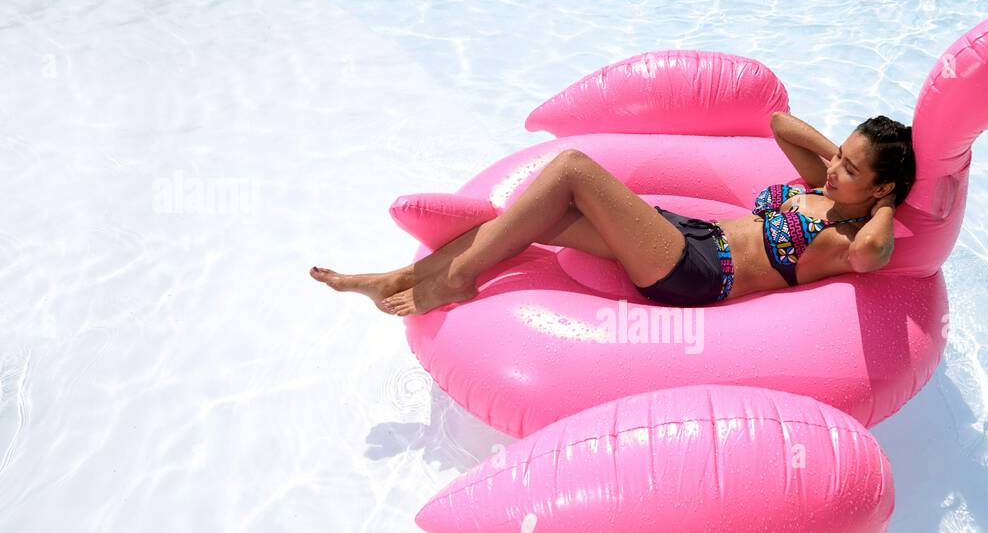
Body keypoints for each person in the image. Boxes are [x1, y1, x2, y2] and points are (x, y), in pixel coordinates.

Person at [309, 112, 914, 313]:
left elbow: (872, 255)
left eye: (852, 171)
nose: (833, 171)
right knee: (535, 215)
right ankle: (402, 277)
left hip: (704, 273)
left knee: (572, 169)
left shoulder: (848, 232)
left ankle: (456, 280)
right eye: (838, 158)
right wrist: (841, 157)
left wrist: (884, 204)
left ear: (882, 191)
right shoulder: (827, 191)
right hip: (692, 238)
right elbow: (781, 124)